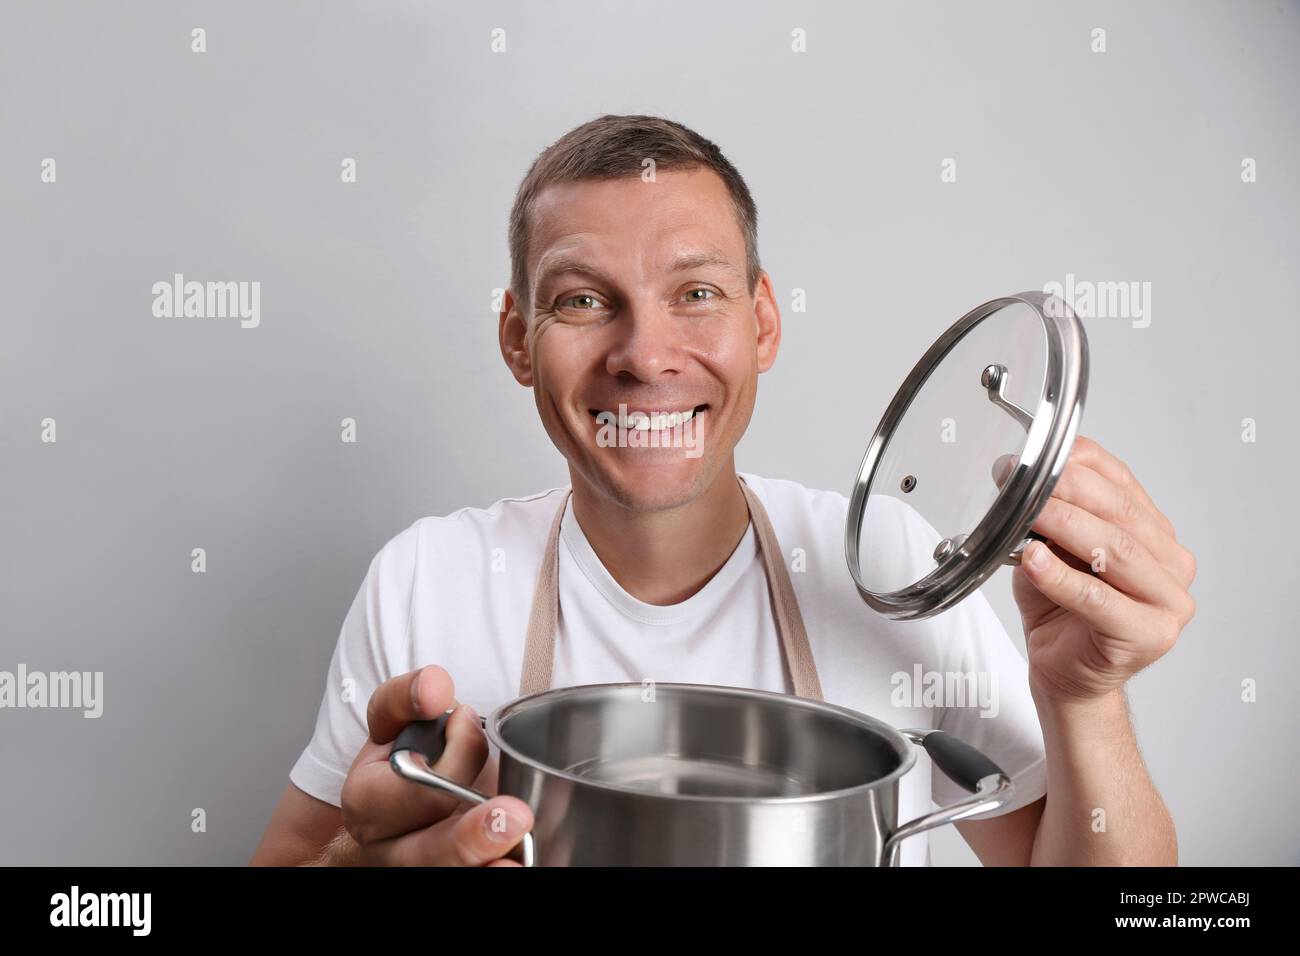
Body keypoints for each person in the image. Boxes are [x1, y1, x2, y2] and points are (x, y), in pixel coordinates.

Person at [250, 115, 1196, 867]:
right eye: (583, 299)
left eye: (696, 293)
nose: (646, 356)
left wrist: (1086, 701)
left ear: (765, 323)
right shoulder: (431, 580)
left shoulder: (890, 566)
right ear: (516, 340)